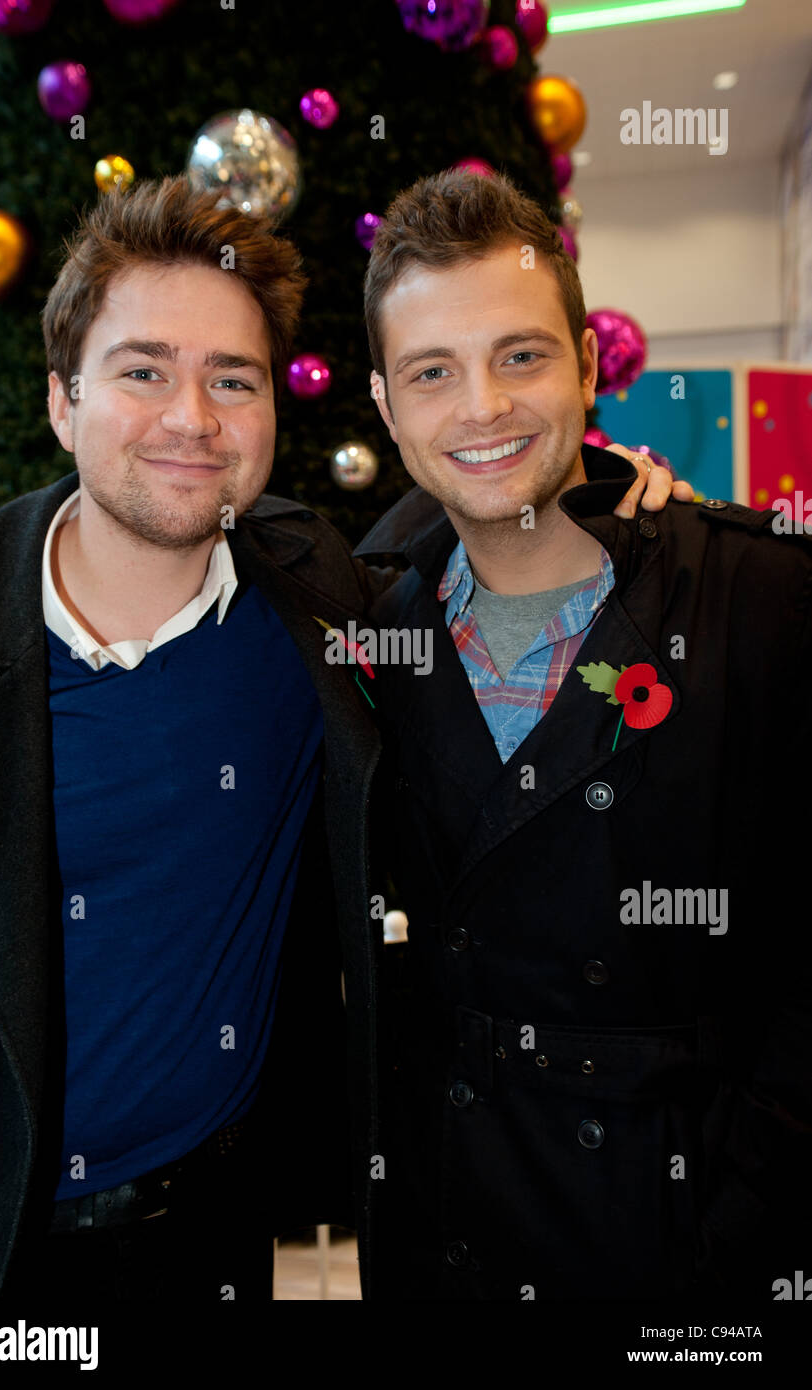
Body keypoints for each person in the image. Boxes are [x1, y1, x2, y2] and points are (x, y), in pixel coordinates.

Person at [0, 171, 680, 1304]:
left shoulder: (316, 601)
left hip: (220, 1239)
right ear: (61, 400)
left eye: (230, 379)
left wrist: (607, 497)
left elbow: (469, 514)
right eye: (143, 371)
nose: (192, 418)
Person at [355, 168, 812, 1301]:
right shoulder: (365, 623)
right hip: (439, 1229)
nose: (481, 408)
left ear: (586, 363)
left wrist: (738, 1219)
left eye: (519, 356)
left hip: (684, 1246)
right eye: (432, 373)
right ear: (384, 407)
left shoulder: (757, 601)